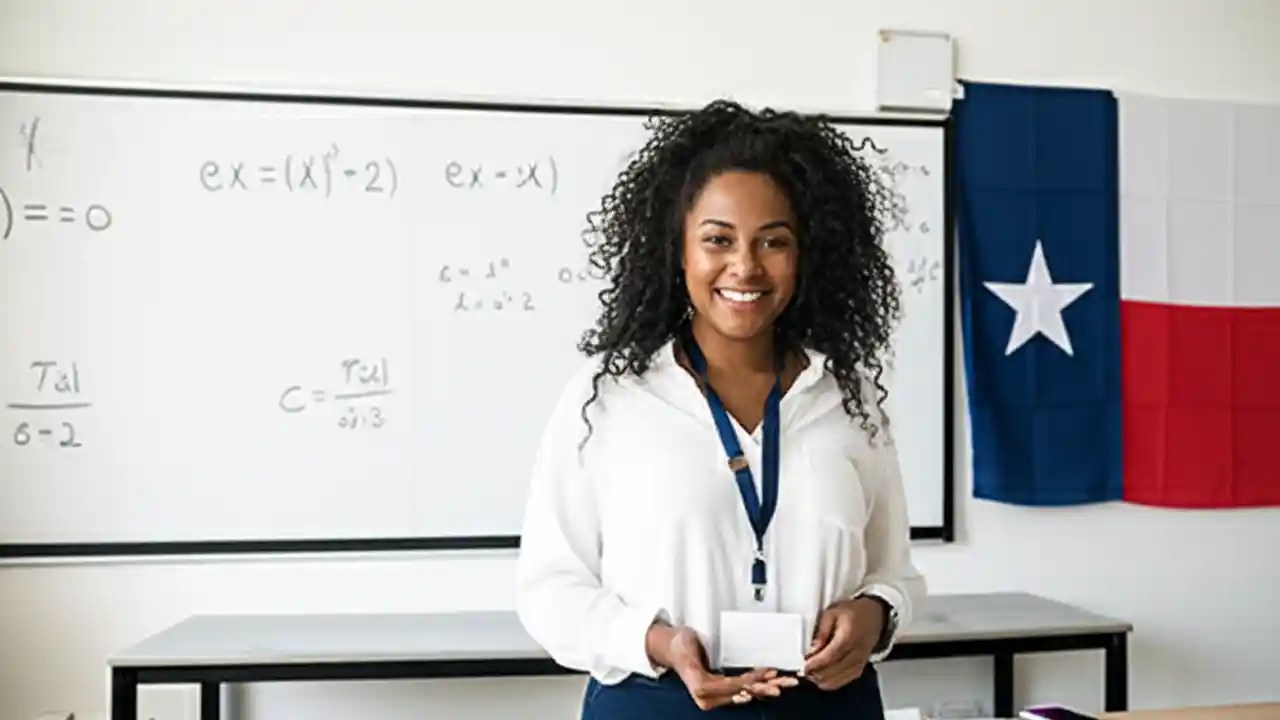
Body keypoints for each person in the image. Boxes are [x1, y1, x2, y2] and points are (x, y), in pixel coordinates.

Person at [515, 98, 926, 719]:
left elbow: (894, 571)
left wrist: (875, 614)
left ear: (805, 255)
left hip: (828, 707)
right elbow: (549, 591)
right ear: (677, 251)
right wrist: (658, 643)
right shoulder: (609, 398)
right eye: (718, 240)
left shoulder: (849, 398)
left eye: (774, 242)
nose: (745, 266)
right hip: (660, 704)